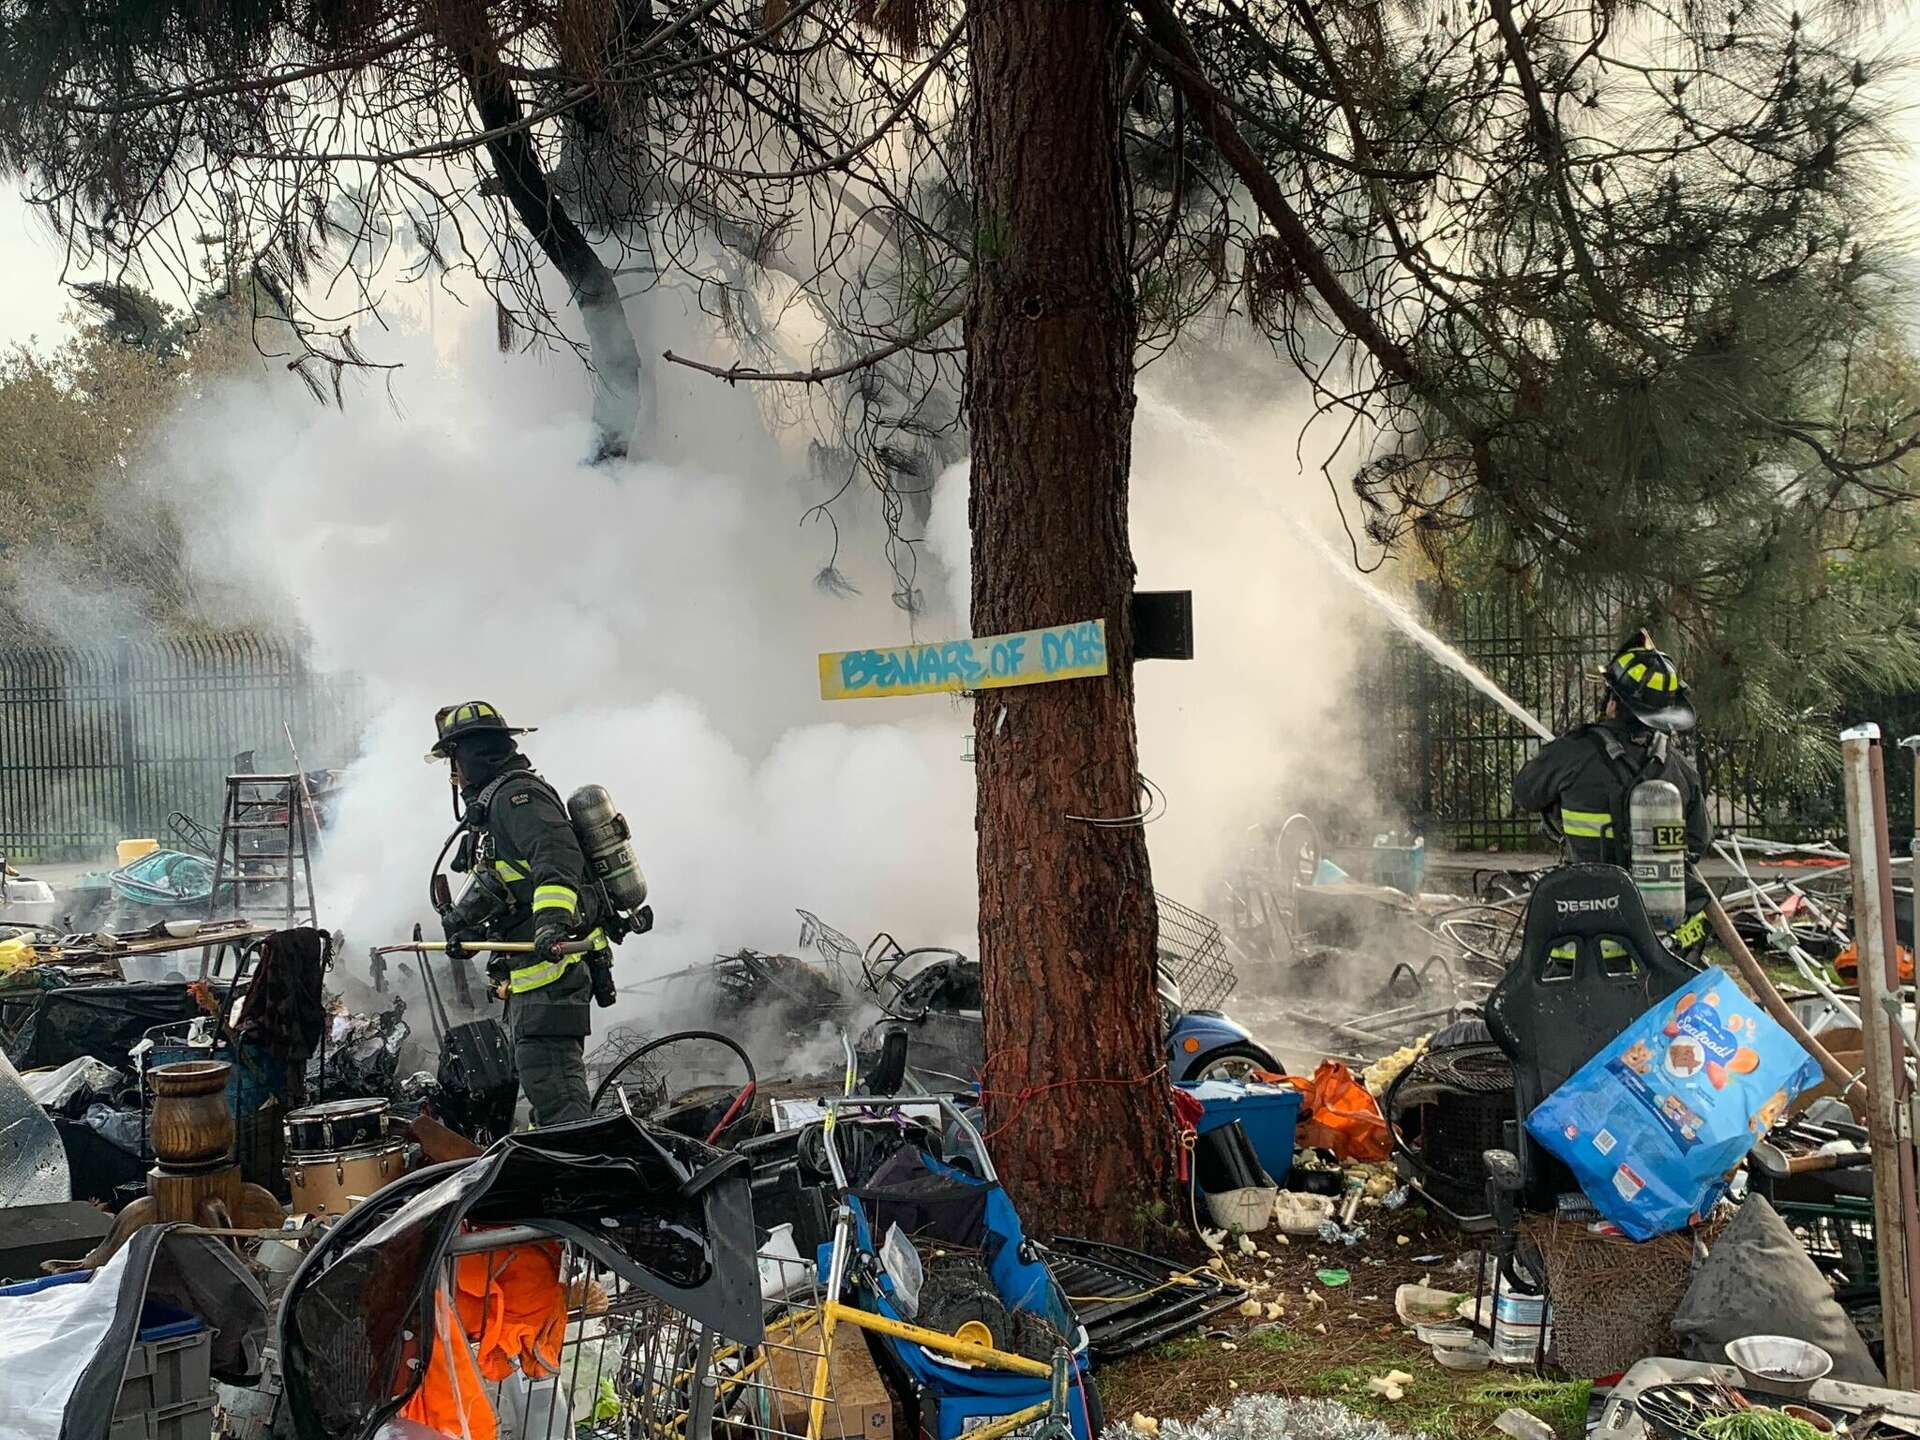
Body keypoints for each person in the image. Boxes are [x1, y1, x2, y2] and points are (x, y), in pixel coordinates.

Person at [427, 701, 605, 1126]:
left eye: (453, 760)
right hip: (530, 977)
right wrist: (465, 928)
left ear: (469, 754)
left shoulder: (518, 799)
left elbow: (557, 860)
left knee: (556, 1089)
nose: (453, 774)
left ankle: (585, 1175)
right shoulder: (493, 806)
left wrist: (551, 924)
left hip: (553, 972)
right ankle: (569, 1166)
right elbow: (504, 883)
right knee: (545, 1085)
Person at [1513, 632, 1714, 949]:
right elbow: (1699, 842)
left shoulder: (1572, 754)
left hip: (1584, 926)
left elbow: (1525, 794)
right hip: (1662, 941)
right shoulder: (1680, 769)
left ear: (1612, 703)